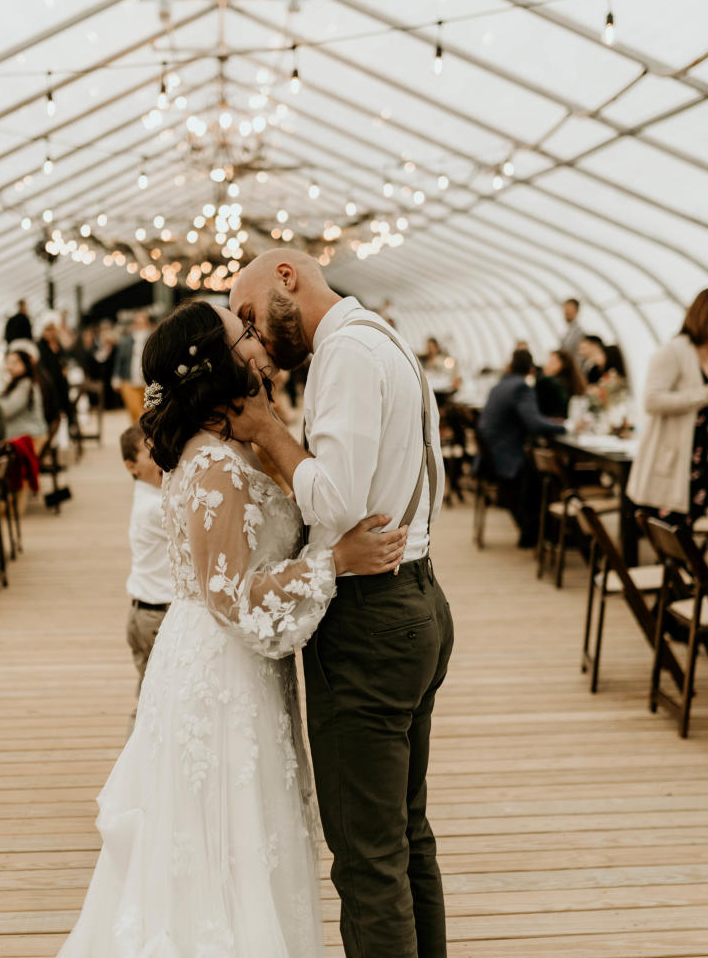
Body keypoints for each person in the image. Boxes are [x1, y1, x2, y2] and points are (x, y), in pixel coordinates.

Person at [56, 298, 406, 958]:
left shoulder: (226, 448)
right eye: (241, 333)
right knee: (224, 847)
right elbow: (233, 600)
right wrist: (334, 561)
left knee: (240, 844)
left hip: (230, 665)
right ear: (214, 361)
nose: (256, 337)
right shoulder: (214, 465)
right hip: (220, 673)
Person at [227, 249, 455, 958]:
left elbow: (337, 496)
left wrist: (268, 431)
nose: (256, 338)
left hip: (369, 621)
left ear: (287, 277)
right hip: (416, 595)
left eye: (250, 316)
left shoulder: (347, 354)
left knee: (366, 856)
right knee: (405, 834)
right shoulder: (382, 339)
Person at [627, 287, 708, 526]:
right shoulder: (674, 351)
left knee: (687, 542)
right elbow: (651, 400)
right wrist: (702, 394)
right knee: (676, 540)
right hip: (673, 468)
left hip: (702, 466)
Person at [478, 348, 566, 548]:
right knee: (546, 476)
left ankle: (539, 531)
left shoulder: (499, 386)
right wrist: (564, 426)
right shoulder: (521, 388)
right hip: (506, 455)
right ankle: (543, 531)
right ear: (531, 370)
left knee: (539, 469)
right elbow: (534, 423)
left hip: (491, 453)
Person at [118, 424, 171, 728]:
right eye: (151, 453)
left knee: (149, 693)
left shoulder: (150, 497)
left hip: (143, 613)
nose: (161, 457)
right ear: (131, 466)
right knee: (156, 699)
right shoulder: (154, 508)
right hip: (155, 618)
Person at [0, 349, 47, 513]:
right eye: (8, 362)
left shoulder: (25, 385)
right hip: (24, 435)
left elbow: (7, 409)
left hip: (29, 437)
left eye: (15, 362)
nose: (10, 366)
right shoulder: (18, 384)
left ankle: (11, 508)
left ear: (26, 364)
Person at [112, 310, 153, 423]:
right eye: (137, 323)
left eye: (142, 323)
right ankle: (136, 437)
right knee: (134, 412)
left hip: (147, 382)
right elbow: (120, 360)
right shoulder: (126, 341)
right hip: (128, 380)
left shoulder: (152, 339)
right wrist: (116, 377)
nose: (139, 326)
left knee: (148, 412)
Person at [535, 348, 587, 420]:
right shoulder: (572, 383)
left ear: (562, 365)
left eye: (552, 362)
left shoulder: (548, 382)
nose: (547, 365)